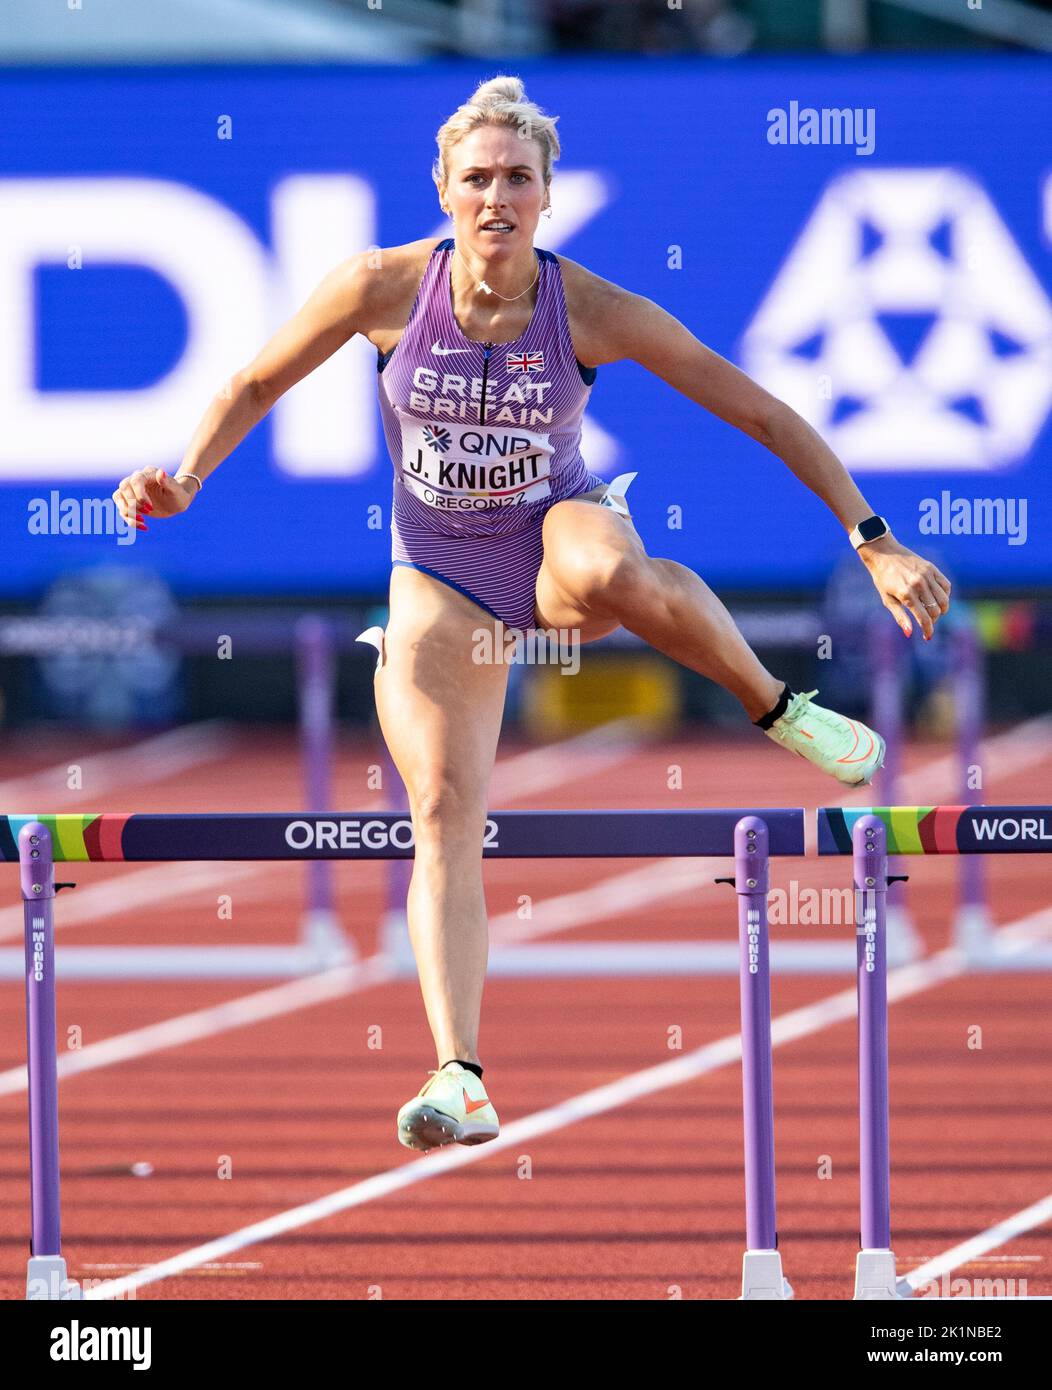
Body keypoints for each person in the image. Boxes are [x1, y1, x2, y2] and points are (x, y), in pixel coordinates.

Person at [112, 74, 951, 1154]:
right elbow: (253, 381)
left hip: (554, 538)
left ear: (548, 193)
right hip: (437, 576)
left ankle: (775, 704)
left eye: (517, 178)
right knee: (443, 810)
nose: (495, 198)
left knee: (608, 571)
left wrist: (868, 534)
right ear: (443, 190)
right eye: (476, 180)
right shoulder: (379, 286)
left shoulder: (592, 310)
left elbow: (754, 407)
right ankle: (459, 1074)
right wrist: (185, 477)